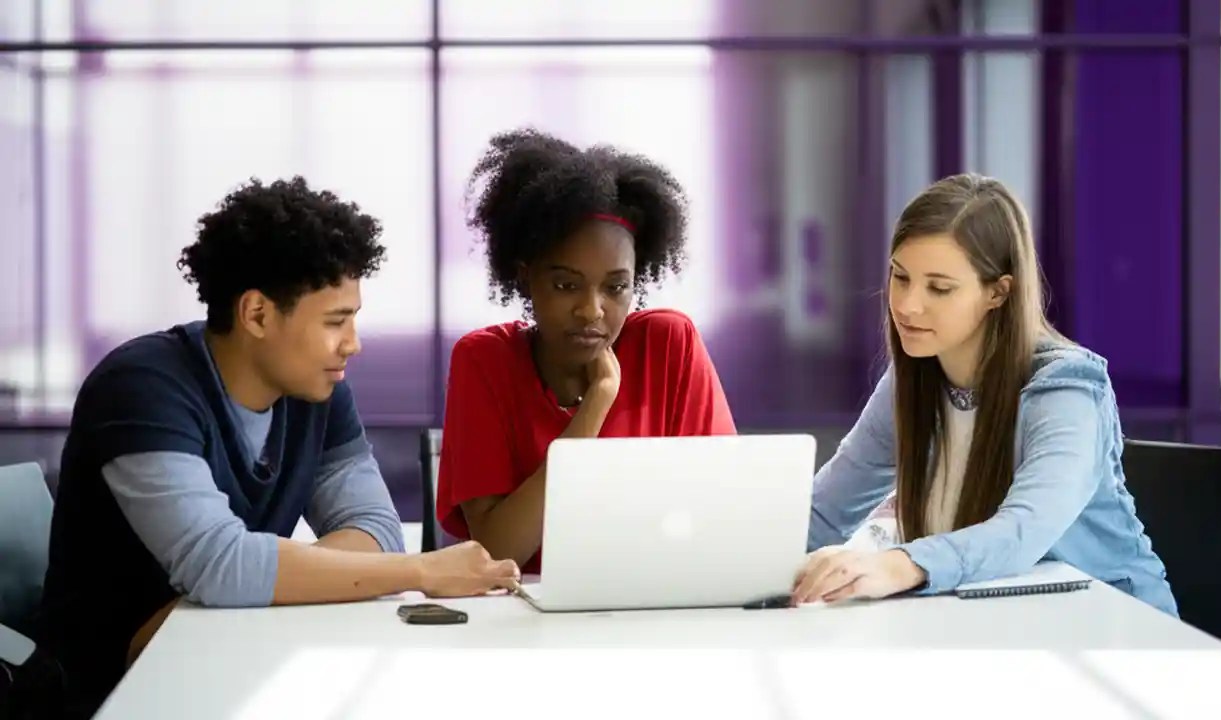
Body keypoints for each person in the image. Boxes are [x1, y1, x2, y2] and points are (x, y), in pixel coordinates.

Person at [38, 177, 519, 718]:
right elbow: (221, 564)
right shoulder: (142, 388)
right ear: (258, 314)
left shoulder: (315, 387)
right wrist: (421, 571)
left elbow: (377, 530)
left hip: (232, 651)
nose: (353, 343)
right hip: (118, 684)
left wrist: (257, 576)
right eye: (336, 321)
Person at [796, 174, 1176, 615]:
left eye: (939, 288)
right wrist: (724, 564)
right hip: (992, 624)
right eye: (900, 277)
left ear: (998, 292)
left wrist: (898, 565)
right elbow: (826, 512)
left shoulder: (1068, 388)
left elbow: (1023, 530)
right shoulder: (911, 378)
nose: (907, 305)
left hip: (1117, 628)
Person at [436, 129, 737, 574]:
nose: (592, 310)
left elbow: (725, 515)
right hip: (518, 619)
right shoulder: (484, 360)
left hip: (658, 605)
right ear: (525, 277)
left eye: (616, 287)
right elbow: (499, 551)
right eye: (565, 285)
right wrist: (596, 403)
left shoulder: (669, 344)